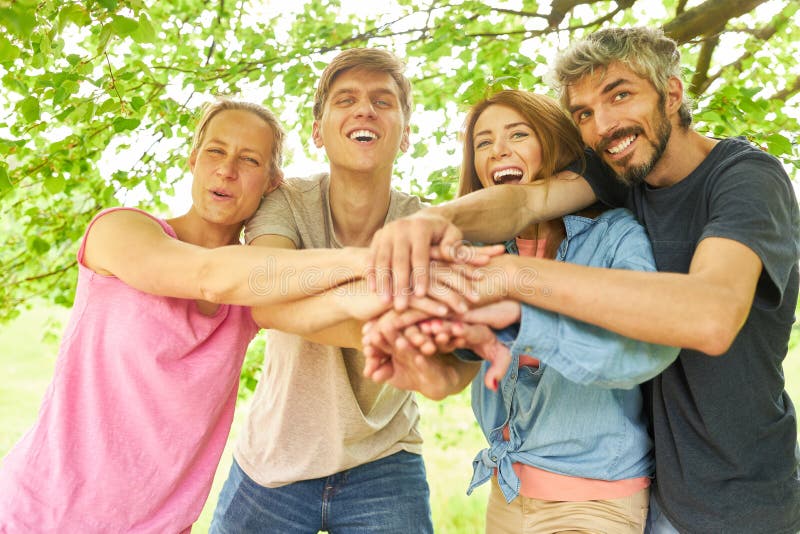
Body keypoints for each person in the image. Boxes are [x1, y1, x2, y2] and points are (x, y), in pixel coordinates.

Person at [367, 27, 800, 534]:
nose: (605, 125)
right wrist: (433, 220)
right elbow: (524, 201)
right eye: (585, 113)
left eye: (620, 94)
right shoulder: (623, 174)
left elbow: (711, 315)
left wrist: (513, 279)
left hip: (739, 499)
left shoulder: (746, 178)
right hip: (656, 488)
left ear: (673, 94)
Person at [0, 99, 378, 533]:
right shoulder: (120, 231)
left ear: (271, 183)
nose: (226, 170)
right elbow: (208, 276)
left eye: (249, 159)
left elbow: (352, 323)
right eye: (216, 151)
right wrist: (364, 260)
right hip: (39, 514)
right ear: (194, 159)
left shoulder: (255, 293)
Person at [364, 89, 678, 533]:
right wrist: (431, 363)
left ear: (556, 146)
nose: (499, 151)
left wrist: (521, 320)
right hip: (507, 493)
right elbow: (461, 368)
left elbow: (639, 351)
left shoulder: (615, 236)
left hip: (593, 500)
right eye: (484, 143)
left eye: (518, 134)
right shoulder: (475, 252)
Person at [209, 48, 496, 534]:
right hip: (274, 458)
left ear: (405, 135)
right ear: (318, 131)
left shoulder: (428, 225)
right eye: (346, 99)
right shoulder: (287, 201)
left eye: (383, 101)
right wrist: (401, 314)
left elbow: (456, 364)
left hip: (384, 460)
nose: (365, 109)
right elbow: (264, 290)